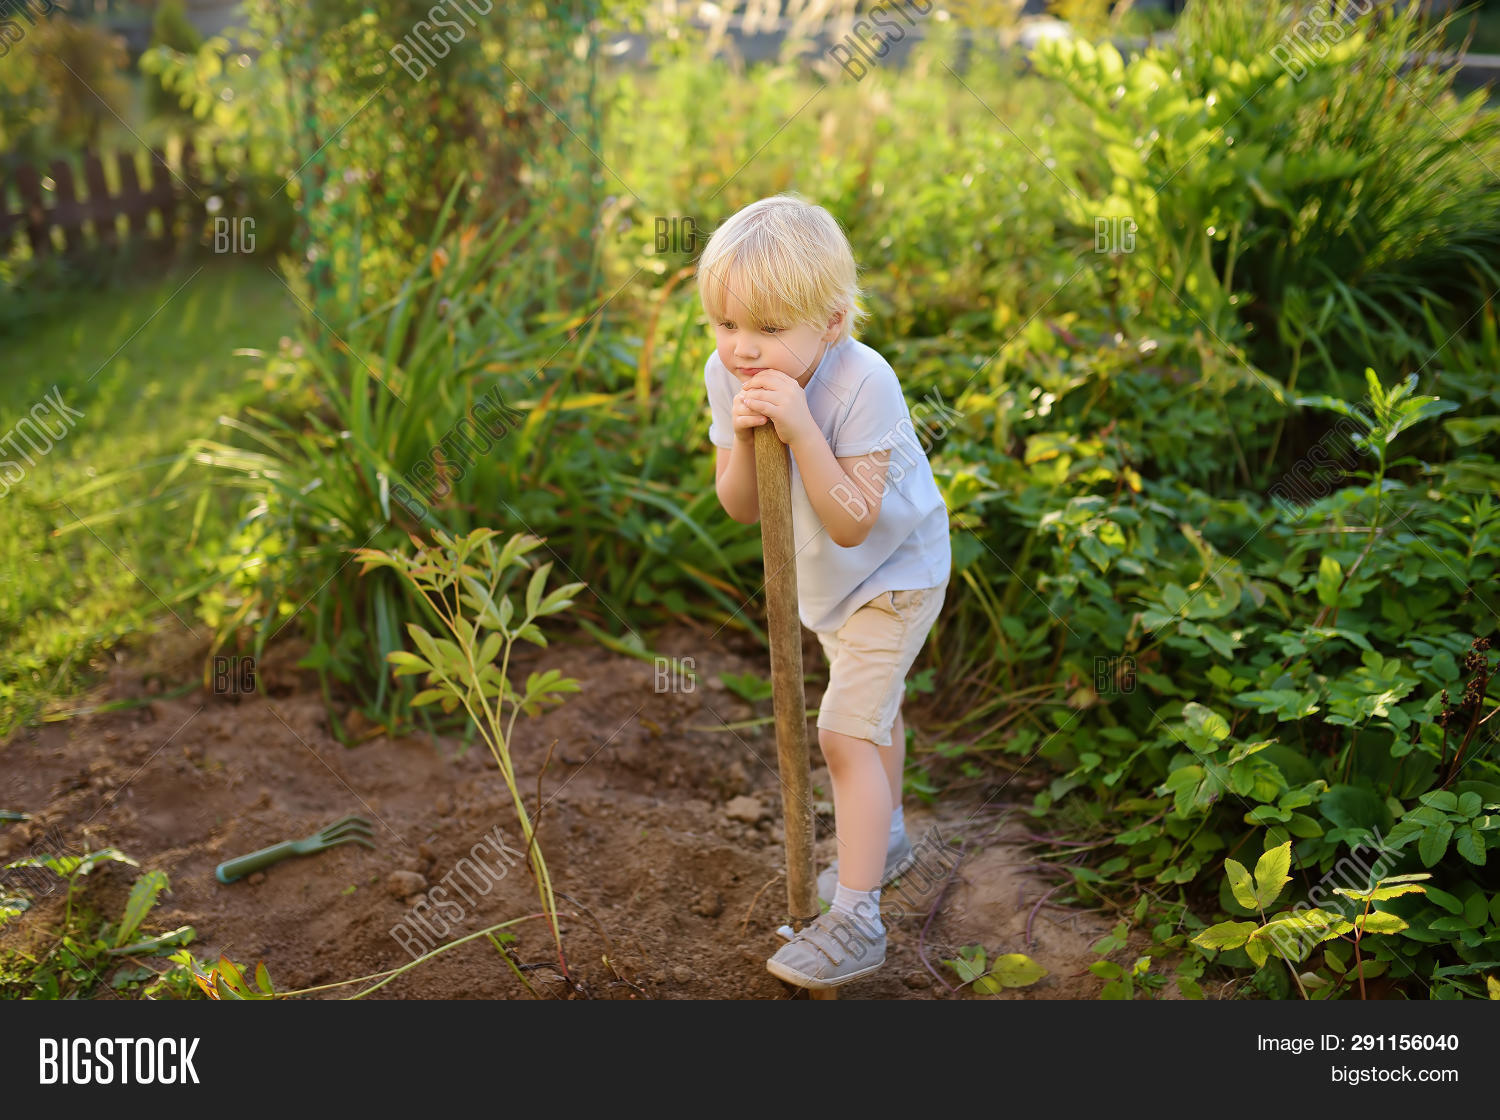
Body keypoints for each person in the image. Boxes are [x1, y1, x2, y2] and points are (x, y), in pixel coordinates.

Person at [699, 193, 952, 989]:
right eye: (726, 324)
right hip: (831, 588)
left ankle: (856, 916)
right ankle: (892, 836)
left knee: (844, 731)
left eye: (769, 330)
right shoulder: (728, 372)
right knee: (873, 717)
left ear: (832, 323)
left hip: (896, 574)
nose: (742, 349)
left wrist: (802, 428)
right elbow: (739, 504)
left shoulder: (862, 382)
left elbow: (853, 521)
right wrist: (746, 433)